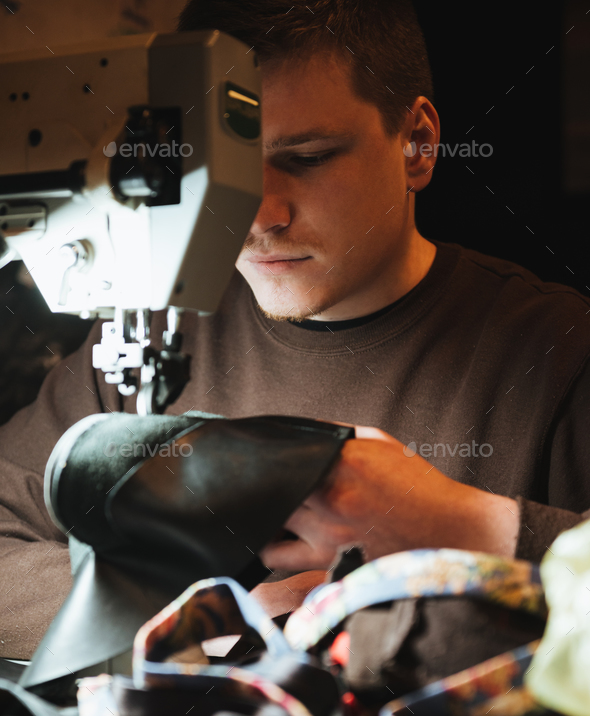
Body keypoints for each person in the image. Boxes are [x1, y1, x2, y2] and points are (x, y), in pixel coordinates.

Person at [0, 0, 589, 659]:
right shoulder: (160, 319)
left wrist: (468, 529)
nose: (260, 215)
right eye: (221, 169)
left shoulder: (559, 352)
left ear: (418, 144)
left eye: (307, 158)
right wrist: (198, 622)